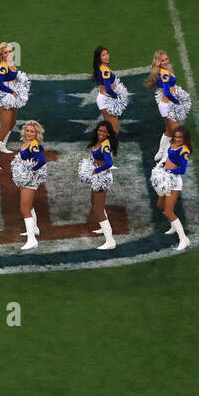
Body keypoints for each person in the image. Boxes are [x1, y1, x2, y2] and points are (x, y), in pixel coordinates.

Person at [0, 42, 30, 169]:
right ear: (1, 56)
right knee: (4, 127)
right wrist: (12, 91)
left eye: (10, 51)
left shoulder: (11, 64)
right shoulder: (4, 66)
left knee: (12, 122)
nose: (8, 54)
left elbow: (12, 77)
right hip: (6, 97)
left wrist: (17, 81)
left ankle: (2, 146)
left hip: (13, 97)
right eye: (5, 53)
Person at [149, 124, 192, 250]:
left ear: (185, 138)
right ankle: (174, 225)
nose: (178, 139)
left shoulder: (184, 151)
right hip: (165, 179)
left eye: (180, 138)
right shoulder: (173, 144)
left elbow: (182, 170)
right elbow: (168, 160)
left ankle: (184, 239)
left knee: (168, 211)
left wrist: (168, 172)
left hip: (173, 182)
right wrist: (162, 164)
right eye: (176, 137)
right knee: (160, 206)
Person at [78, 121, 117, 250]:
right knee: (94, 202)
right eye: (100, 131)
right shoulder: (98, 142)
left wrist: (96, 170)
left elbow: (109, 163)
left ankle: (110, 241)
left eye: (104, 132)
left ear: (108, 133)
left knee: (98, 209)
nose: (101, 133)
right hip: (98, 176)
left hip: (102, 177)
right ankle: (104, 227)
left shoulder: (105, 145)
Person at [145, 50, 190, 163]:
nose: (165, 61)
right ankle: (164, 160)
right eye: (162, 60)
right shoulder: (164, 73)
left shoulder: (164, 70)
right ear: (158, 62)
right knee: (176, 134)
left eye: (166, 59)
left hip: (166, 104)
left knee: (170, 131)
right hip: (168, 105)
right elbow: (167, 92)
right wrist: (177, 101)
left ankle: (160, 152)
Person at [10, 120, 48, 250]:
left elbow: (42, 160)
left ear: (36, 133)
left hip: (29, 180)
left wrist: (32, 170)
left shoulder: (33, 145)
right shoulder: (27, 143)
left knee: (24, 208)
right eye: (27, 130)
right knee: (29, 206)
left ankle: (32, 240)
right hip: (24, 179)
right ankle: (34, 229)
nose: (29, 133)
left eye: (32, 131)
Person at [92, 46, 129, 138]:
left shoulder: (102, 66)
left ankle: (105, 148)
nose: (107, 56)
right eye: (103, 55)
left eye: (107, 53)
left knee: (109, 129)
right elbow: (108, 89)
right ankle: (105, 148)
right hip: (107, 100)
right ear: (99, 58)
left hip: (105, 98)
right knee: (115, 130)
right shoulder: (104, 70)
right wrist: (118, 96)